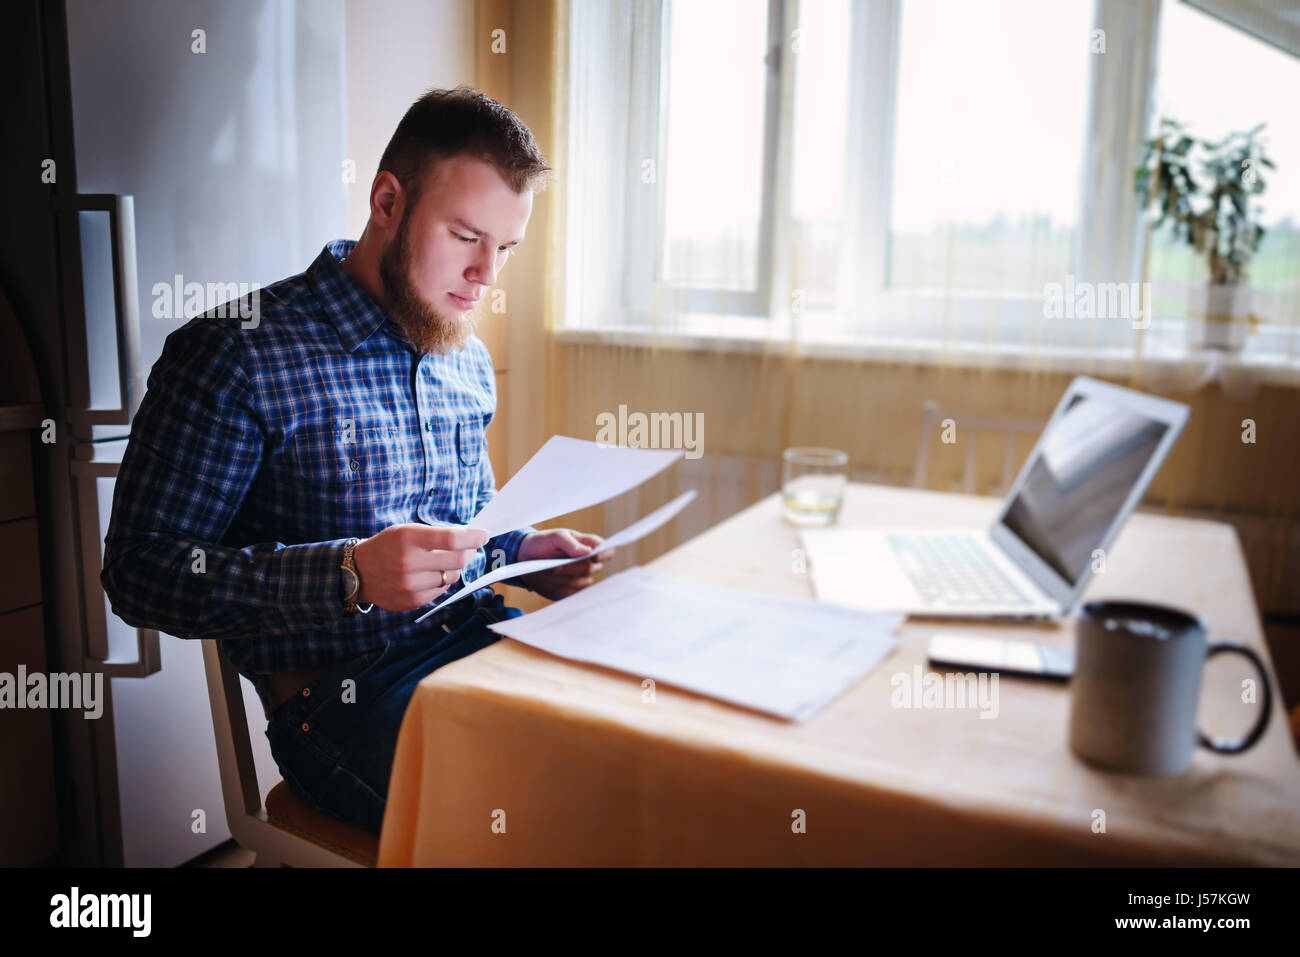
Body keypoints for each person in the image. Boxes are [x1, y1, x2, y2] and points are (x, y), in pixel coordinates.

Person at [101, 86, 611, 836]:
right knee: (546, 826)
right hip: (343, 703)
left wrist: (523, 552)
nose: (485, 276)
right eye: (466, 235)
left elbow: (466, 536)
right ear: (386, 201)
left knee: (645, 757)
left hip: (477, 640)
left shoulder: (462, 356)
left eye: (504, 248)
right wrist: (347, 573)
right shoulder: (237, 352)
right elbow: (140, 573)